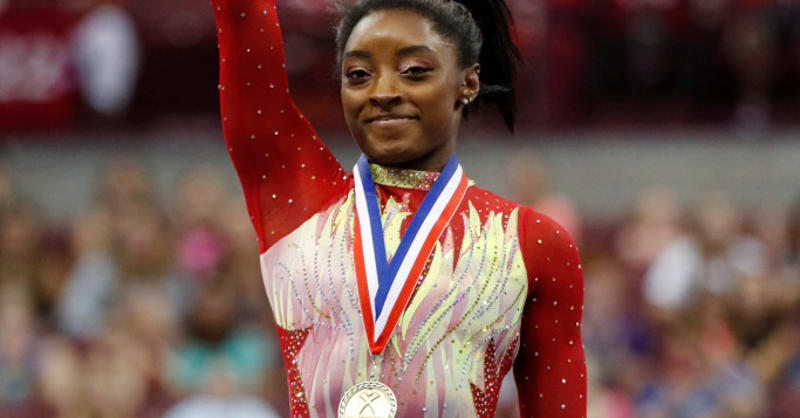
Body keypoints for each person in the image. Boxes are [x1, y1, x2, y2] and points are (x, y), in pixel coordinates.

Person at [211, 0, 586, 416]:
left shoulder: (531, 243)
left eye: (413, 71)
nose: (383, 92)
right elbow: (241, 15)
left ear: (468, 82)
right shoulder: (299, 204)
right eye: (358, 74)